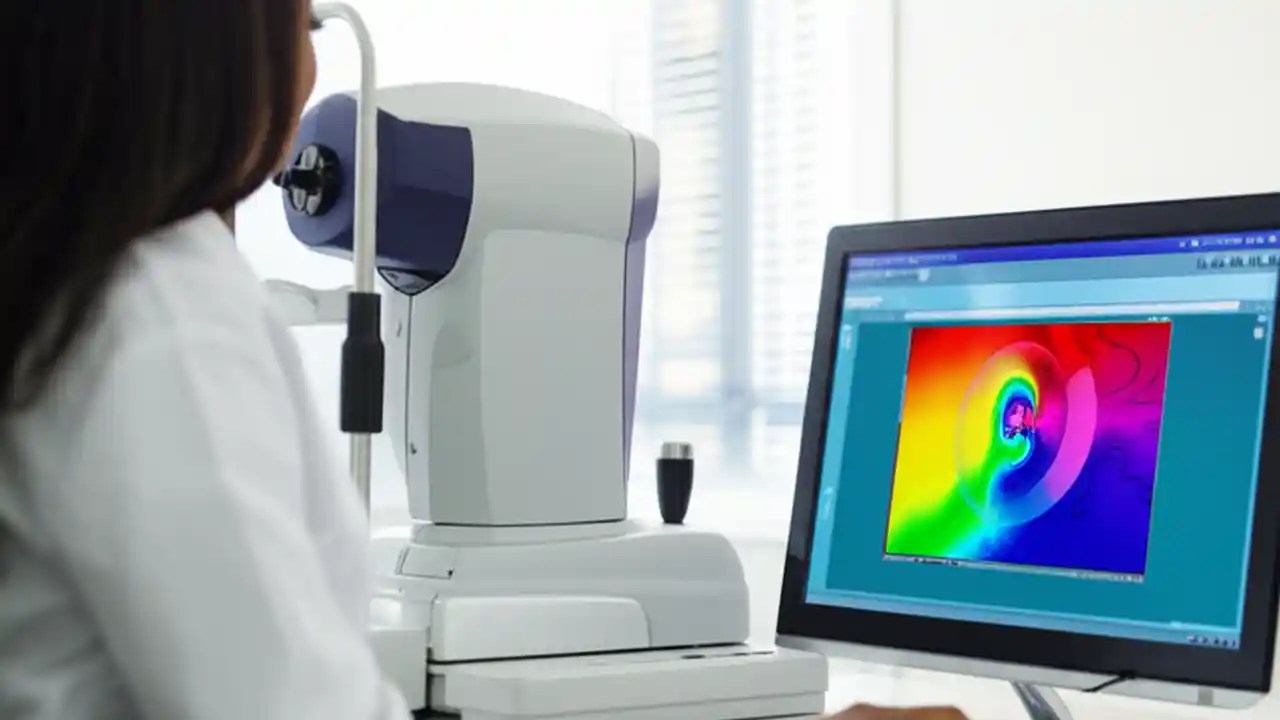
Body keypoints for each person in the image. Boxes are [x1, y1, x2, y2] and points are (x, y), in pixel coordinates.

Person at [0, 2, 965, 719]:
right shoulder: (157, 308)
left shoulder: (78, 275)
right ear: (209, 51)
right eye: (299, 23)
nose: (306, 65)